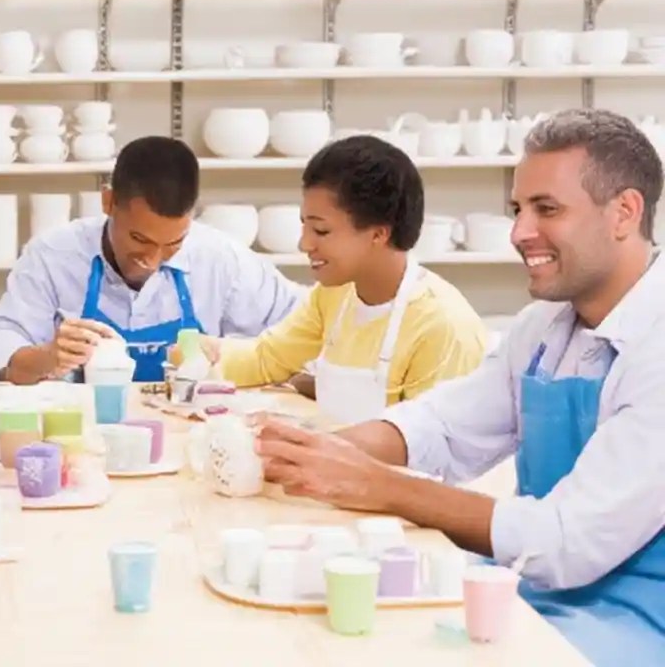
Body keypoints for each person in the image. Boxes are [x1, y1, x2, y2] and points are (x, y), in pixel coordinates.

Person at [254, 108, 665, 666]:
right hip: (536, 589)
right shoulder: (544, 328)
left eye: (547, 209)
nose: (520, 232)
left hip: (637, 622)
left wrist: (380, 486)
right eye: (518, 209)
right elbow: (443, 427)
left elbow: (566, 541)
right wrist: (304, 451)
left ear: (625, 212)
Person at [0, 135, 305, 385]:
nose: (152, 260)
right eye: (139, 239)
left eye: (173, 243)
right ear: (109, 202)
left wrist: (236, 355)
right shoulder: (55, 255)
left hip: (189, 436)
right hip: (81, 433)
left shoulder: (219, 258)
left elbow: (303, 323)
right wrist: (47, 357)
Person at [196, 135, 487, 424]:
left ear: (378, 234)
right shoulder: (334, 295)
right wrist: (196, 354)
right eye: (304, 227)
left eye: (321, 231)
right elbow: (266, 358)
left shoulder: (444, 328)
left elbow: (431, 457)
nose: (304, 244)